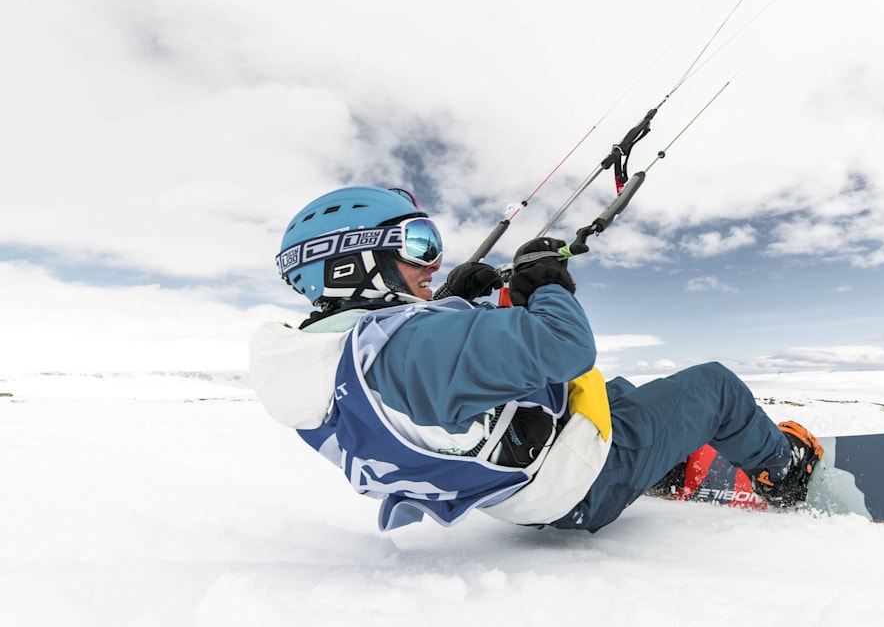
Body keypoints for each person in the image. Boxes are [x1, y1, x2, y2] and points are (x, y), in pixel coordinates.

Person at [249, 185, 822, 532]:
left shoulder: (319, 365)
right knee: (714, 387)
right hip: (579, 488)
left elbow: (433, 390)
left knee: (612, 390)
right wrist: (546, 281)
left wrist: (450, 299)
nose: (432, 261)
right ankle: (784, 472)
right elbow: (566, 346)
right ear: (351, 264)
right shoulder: (408, 351)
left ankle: (663, 462)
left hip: (515, 493)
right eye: (417, 244)